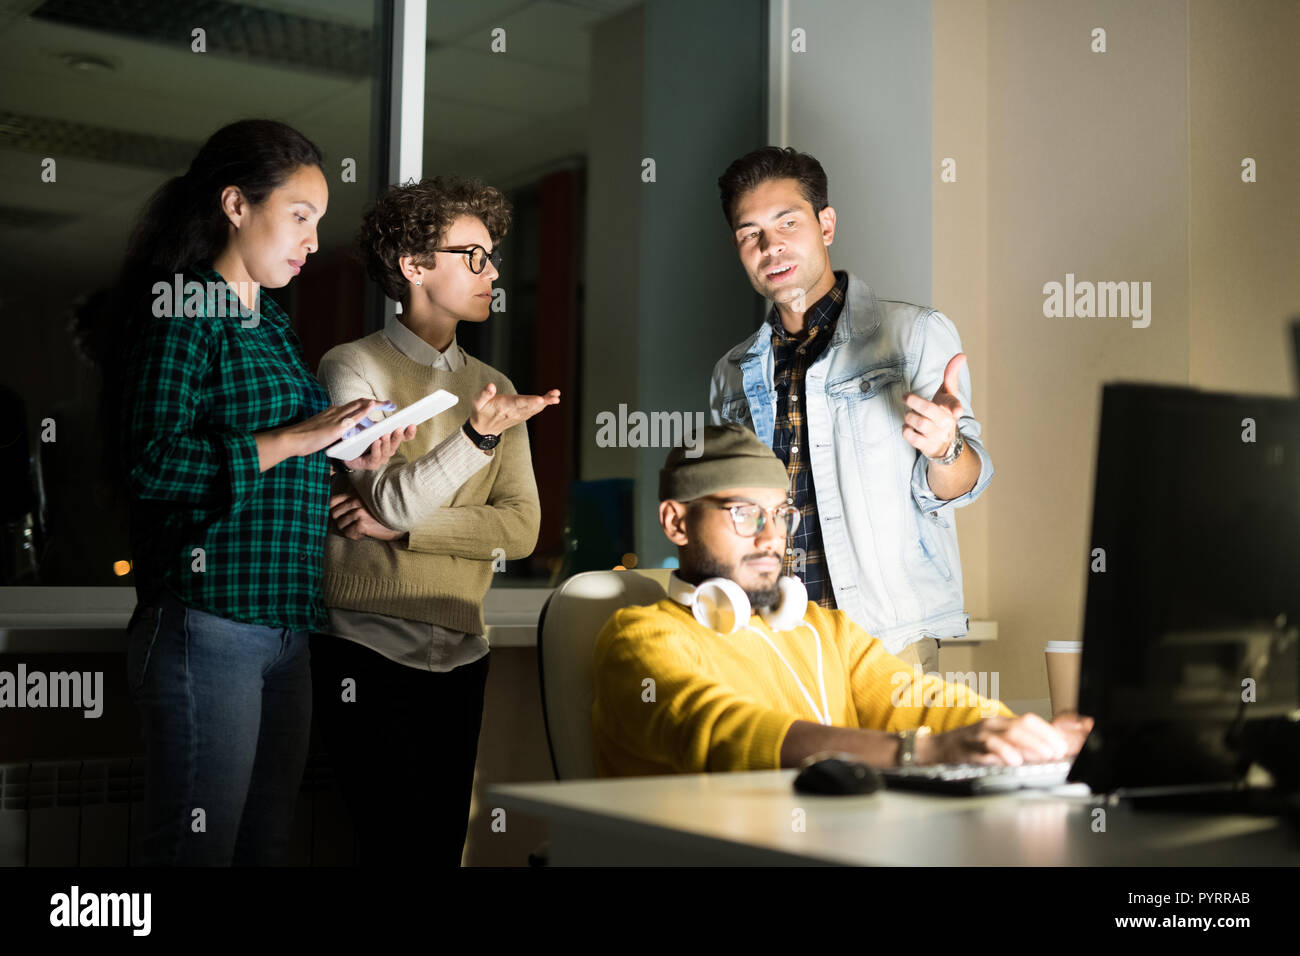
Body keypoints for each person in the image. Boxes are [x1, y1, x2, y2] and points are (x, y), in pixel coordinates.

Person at [111, 119, 405, 866]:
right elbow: (151, 464)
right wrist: (301, 437)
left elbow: (273, 460)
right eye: (300, 217)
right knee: (193, 853)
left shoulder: (269, 322)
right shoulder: (182, 309)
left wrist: (347, 451)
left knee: (262, 849)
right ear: (236, 205)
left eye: (318, 224)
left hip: (284, 624)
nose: (311, 242)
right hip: (206, 622)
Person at [592, 425, 1090, 776]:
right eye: (744, 514)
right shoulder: (639, 638)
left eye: (781, 514)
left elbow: (920, 702)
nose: (772, 538)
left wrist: (1021, 738)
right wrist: (925, 753)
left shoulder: (821, 628)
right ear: (676, 522)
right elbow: (726, 731)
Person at [311, 176, 560, 866]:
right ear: (414, 267)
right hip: (364, 647)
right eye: (473, 256)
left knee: (443, 849)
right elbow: (385, 501)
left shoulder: (497, 387)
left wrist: (408, 532)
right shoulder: (353, 365)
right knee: (391, 849)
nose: (494, 273)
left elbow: (520, 529)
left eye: (493, 256)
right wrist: (474, 441)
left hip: (461, 644)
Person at [710, 146, 994, 675]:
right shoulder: (731, 372)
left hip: (887, 643)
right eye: (750, 234)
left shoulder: (913, 334)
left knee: (897, 763)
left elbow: (965, 481)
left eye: (787, 222)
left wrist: (945, 446)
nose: (770, 246)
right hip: (772, 647)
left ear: (826, 224)